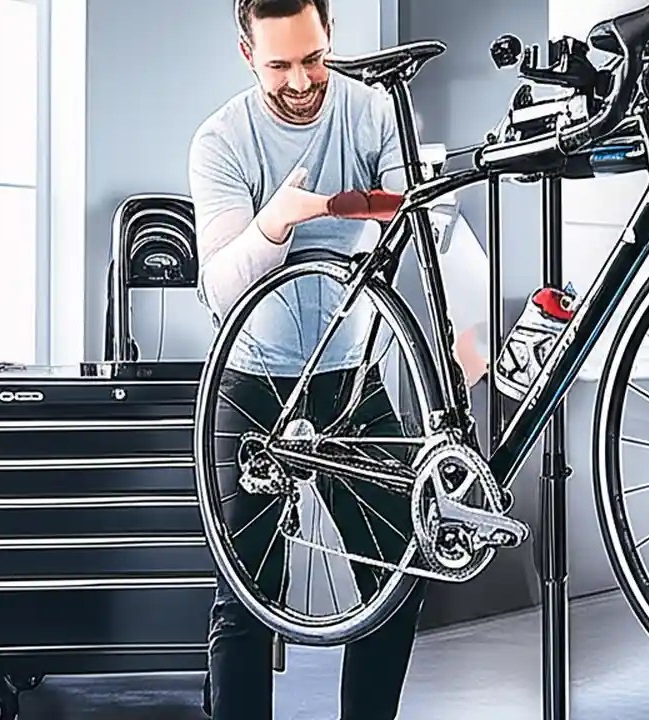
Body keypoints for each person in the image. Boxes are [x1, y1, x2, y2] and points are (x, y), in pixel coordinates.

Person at [186, 1, 486, 717]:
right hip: (252, 381)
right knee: (246, 601)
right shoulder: (222, 141)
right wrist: (275, 224)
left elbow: (428, 220)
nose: (299, 81)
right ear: (245, 54)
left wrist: (468, 325)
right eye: (279, 64)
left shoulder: (372, 111)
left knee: (399, 575)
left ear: (331, 40)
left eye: (313, 58)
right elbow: (219, 288)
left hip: (351, 378)